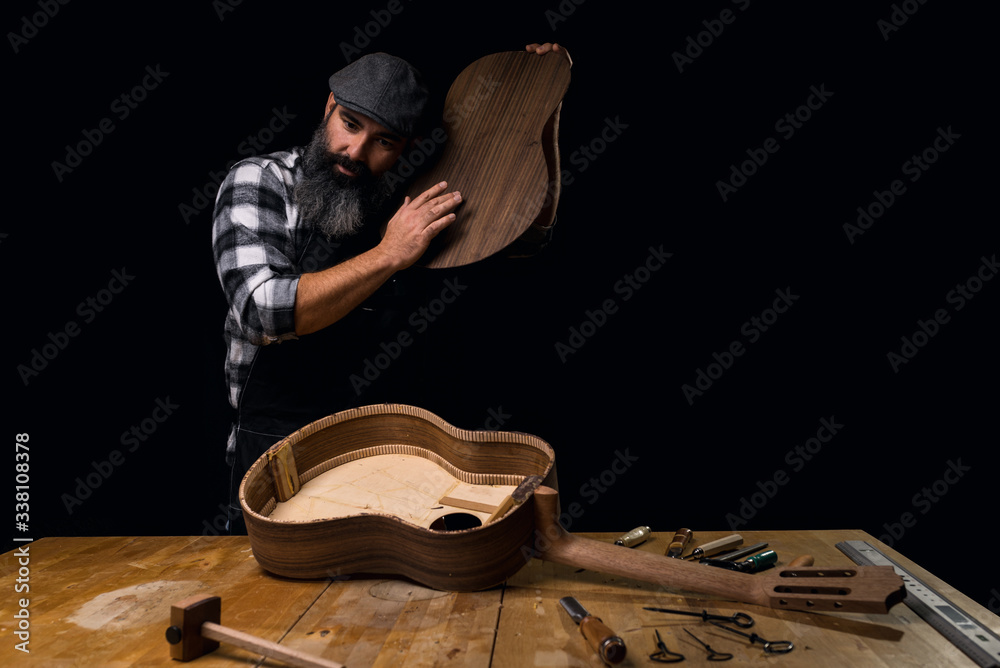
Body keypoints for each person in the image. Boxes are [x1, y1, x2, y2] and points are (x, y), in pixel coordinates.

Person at [212, 43, 570, 533]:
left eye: (383, 141)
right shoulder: (261, 181)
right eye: (351, 124)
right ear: (328, 108)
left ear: (407, 148)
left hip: (390, 463)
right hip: (280, 462)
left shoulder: (412, 203)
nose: (355, 152)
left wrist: (543, 110)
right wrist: (388, 254)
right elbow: (261, 310)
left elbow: (527, 233)